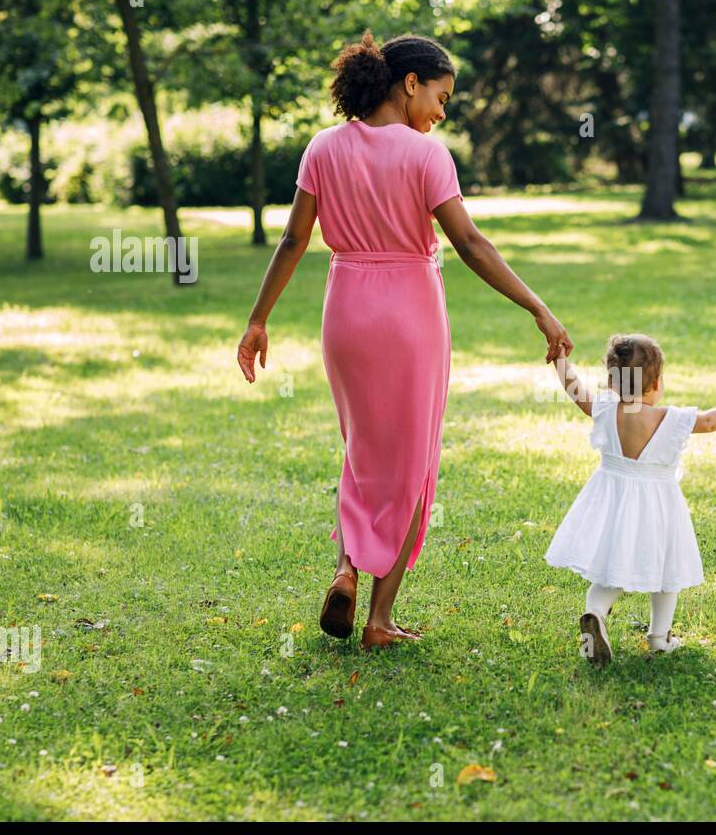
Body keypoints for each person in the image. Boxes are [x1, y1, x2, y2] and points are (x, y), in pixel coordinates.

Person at [237, 32, 573, 650]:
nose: (442, 113)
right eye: (441, 97)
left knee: (359, 451)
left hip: (345, 311)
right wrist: (538, 307)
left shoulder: (323, 147)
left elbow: (292, 241)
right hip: (409, 312)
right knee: (414, 462)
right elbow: (471, 244)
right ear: (410, 84)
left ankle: (345, 572)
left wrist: (258, 320)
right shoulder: (427, 157)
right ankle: (380, 620)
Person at [544, 334, 716, 666]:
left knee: (608, 569)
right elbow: (711, 420)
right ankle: (659, 637)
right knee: (666, 569)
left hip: (613, 504)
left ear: (613, 382)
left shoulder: (604, 407)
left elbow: (576, 391)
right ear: (655, 381)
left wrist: (560, 361)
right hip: (658, 508)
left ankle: (596, 612)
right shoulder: (669, 418)